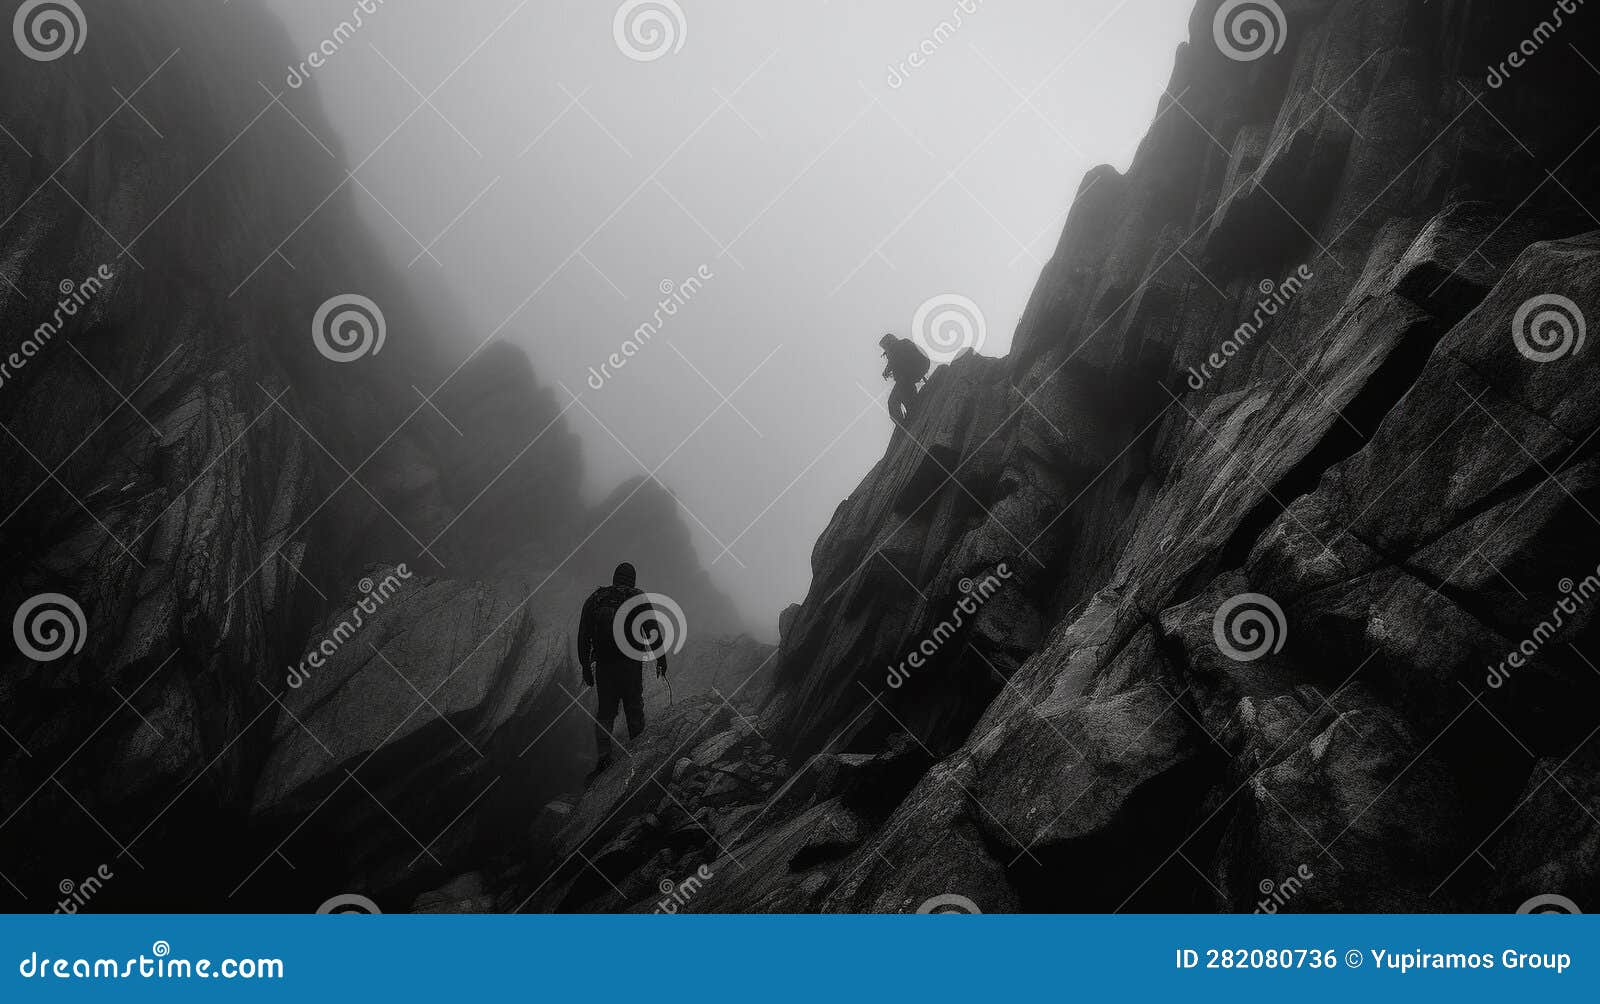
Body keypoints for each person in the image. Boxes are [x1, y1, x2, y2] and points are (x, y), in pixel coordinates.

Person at [576, 562, 669, 775]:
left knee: (605, 712)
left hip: (605, 666)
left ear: (614, 577)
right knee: (634, 707)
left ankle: (603, 759)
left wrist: (585, 667)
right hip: (630, 665)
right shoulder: (637, 598)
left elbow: (583, 636)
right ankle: (638, 754)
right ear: (632, 579)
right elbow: (652, 632)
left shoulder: (596, 599)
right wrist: (661, 660)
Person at [879, 333, 930, 427]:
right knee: (906, 398)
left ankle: (902, 426)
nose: (886, 350)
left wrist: (887, 369)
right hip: (912, 375)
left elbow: (895, 358)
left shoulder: (897, 347)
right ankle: (911, 413)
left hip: (907, 377)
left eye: (885, 347)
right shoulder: (903, 343)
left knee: (893, 402)